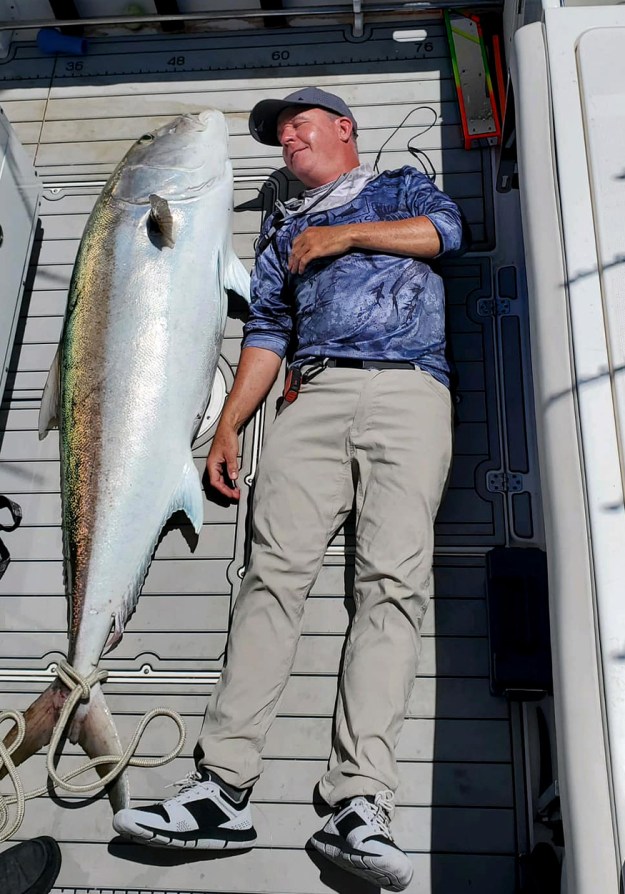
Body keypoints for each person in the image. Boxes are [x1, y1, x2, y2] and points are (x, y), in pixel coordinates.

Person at [113, 87, 465, 891]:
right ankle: (221, 790)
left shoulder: (399, 187)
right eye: (277, 136)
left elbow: (445, 234)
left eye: (297, 126)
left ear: (343, 128)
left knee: (391, 587)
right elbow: (266, 331)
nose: (285, 142)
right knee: (269, 578)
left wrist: (340, 236)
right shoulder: (281, 230)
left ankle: (358, 800)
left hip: (411, 391)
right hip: (307, 397)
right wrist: (234, 422)